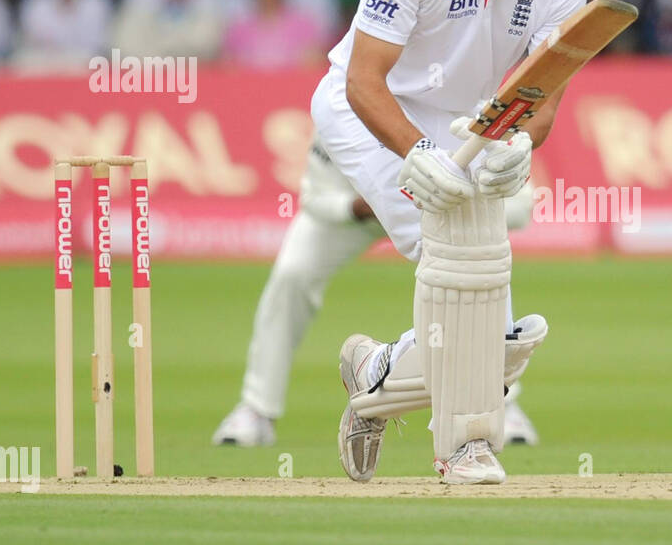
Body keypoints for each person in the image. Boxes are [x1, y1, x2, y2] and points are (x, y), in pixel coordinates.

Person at [308, 0, 586, 485]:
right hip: (372, 113)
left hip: (471, 123)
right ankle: (465, 448)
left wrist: (519, 144)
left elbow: (542, 97)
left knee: (498, 333)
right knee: (460, 266)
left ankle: (378, 375)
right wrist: (416, 153)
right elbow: (365, 82)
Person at [212, 147, 542, 448]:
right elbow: (314, 197)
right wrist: (355, 207)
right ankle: (256, 411)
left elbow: (519, 210)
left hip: (436, 212)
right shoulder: (348, 103)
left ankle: (502, 404)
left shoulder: (454, 111)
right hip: (357, 216)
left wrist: (458, 201)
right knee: (291, 275)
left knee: (477, 266)